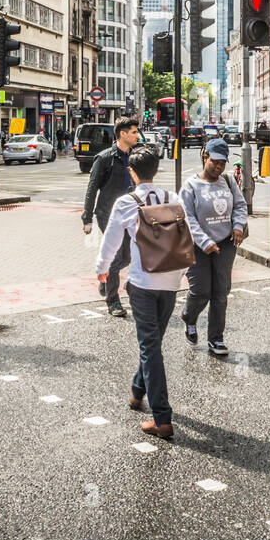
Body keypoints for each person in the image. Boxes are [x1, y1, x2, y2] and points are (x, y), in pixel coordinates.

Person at [96, 145, 185, 439]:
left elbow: (110, 239)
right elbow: (189, 234)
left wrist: (102, 267)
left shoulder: (127, 201)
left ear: (131, 172)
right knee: (153, 344)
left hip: (143, 283)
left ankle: (162, 418)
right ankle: (137, 392)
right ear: (156, 170)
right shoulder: (173, 198)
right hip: (171, 282)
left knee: (150, 347)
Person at [179, 139, 247, 357]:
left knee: (220, 293)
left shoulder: (228, 181)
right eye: (215, 161)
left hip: (225, 244)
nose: (219, 167)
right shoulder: (191, 185)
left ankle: (216, 339)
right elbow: (187, 217)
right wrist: (204, 241)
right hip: (197, 246)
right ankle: (189, 317)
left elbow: (240, 205)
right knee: (200, 292)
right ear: (204, 157)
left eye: (222, 163)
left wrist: (237, 226)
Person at [82, 116, 140, 316]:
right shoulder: (105, 158)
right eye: (133, 132)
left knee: (128, 255)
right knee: (116, 255)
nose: (136, 136)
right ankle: (113, 301)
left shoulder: (134, 157)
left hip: (131, 213)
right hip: (108, 213)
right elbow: (92, 189)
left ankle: (105, 278)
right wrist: (87, 218)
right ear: (122, 134)